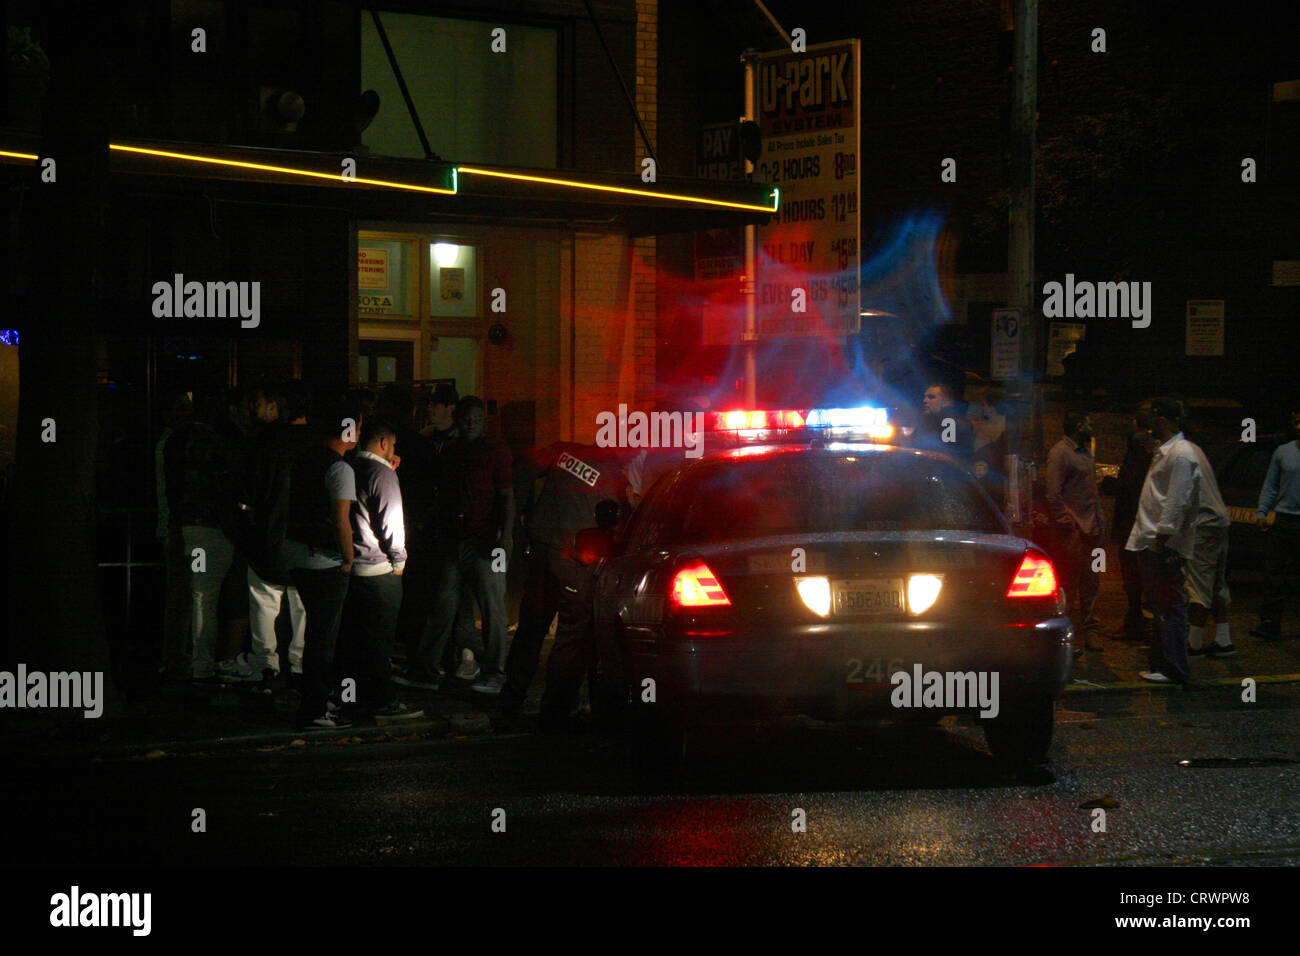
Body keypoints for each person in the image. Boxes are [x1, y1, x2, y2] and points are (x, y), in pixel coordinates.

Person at [500, 442, 629, 730]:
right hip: (574, 562)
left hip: (543, 552)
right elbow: (620, 526)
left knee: (531, 629)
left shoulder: (564, 452)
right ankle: (555, 713)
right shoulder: (613, 476)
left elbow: (521, 470)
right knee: (572, 637)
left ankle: (509, 701)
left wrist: (523, 514)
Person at [408, 397, 515, 694]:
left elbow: (507, 495)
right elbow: (444, 495)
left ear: (483, 421)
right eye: (468, 419)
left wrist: (504, 538)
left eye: (477, 419)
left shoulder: (494, 451)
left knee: (492, 610)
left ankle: (494, 673)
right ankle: (428, 670)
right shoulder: (452, 452)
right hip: (456, 540)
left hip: (484, 541)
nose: (471, 424)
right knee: (443, 607)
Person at [338, 420, 423, 723]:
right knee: (379, 640)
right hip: (377, 569)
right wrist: (399, 561)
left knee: (353, 640)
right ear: (385, 443)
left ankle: (350, 698)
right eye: (393, 445)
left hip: (350, 566)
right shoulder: (382, 475)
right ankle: (383, 701)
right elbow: (391, 523)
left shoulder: (348, 467)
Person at [231, 380, 312, 693]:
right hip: (304, 539)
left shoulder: (264, 442)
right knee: (302, 606)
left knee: (263, 603)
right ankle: (301, 665)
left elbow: (246, 491)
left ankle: (266, 666)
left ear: (281, 407)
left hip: (266, 537)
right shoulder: (316, 444)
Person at [285, 393, 360, 729]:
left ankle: (316, 700)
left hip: (297, 554)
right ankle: (316, 706)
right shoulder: (339, 468)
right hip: (326, 560)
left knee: (313, 630)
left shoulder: (305, 459)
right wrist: (349, 557)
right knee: (324, 636)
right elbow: (341, 520)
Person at [164, 390, 238, 685]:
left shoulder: (175, 441)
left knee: (196, 596)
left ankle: (190, 662)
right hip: (211, 528)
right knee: (204, 597)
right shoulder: (218, 443)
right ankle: (202, 664)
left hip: (188, 525)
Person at [1125, 397, 1200, 685]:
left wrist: (1162, 537)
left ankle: (1173, 667)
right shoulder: (1167, 451)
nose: (1148, 421)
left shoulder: (1179, 454)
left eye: (1153, 416)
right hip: (1152, 540)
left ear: (1163, 420)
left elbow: (1176, 501)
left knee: (1169, 606)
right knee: (1161, 605)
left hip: (1162, 544)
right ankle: (1163, 664)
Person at [1045, 411, 1103, 655]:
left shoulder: (1085, 451)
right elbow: (1052, 494)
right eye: (1088, 421)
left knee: (1092, 581)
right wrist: (1067, 523)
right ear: (1079, 425)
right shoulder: (1060, 453)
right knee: (1068, 583)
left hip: (1092, 528)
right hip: (1074, 530)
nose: (1092, 425)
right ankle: (1064, 637)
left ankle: (1091, 632)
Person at [1182, 429, 1234, 659]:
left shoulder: (1179, 455)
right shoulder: (1197, 451)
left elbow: (1179, 497)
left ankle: (1194, 643)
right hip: (1218, 519)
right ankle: (1223, 639)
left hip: (1202, 522)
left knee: (1198, 585)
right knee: (1216, 583)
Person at [1251, 409, 1300, 641]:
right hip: (1283, 520)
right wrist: (1262, 511)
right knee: (1274, 574)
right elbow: (1271, 484)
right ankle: (1270, 623)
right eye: (1297, 422)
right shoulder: (1284, 452)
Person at [1108, 416, 1157, 641]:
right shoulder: (1150, 462)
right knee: (1138, 577)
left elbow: (1129, 489)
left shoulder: (1137, 464)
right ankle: (1138, 620)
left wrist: (1109, 485)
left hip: (1132, 526)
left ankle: (1136, 622)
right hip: (1138, 526)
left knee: (1133, 577)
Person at [913, 379, 974, 464]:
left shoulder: (949, 422)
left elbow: (947, 454)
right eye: (925, 396)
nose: (925, 400)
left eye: (931, 397)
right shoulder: (927, 421)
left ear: (945, 403)